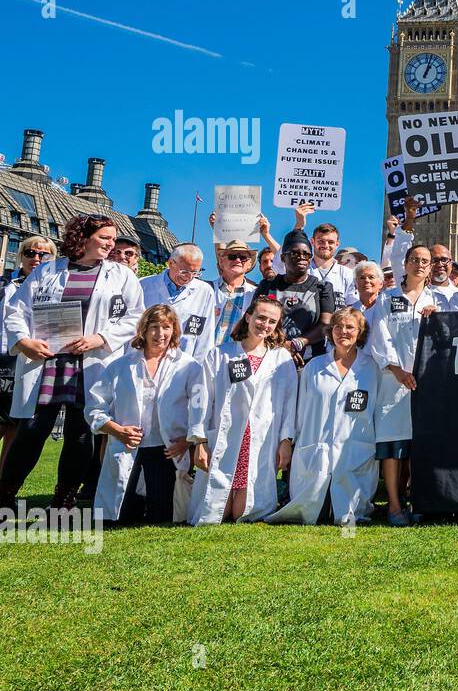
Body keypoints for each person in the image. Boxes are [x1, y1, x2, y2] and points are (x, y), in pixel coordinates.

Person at [0, 214, 144, 512]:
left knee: (81, 432)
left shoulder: (121, 275)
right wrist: (24, 341)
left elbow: (135, 317)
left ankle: (63, 499)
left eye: (113, 239)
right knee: (32, 430)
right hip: (46, 361)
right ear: (84, 237)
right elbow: (17, 310)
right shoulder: (47, 271)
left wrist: (100, 337)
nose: (111, 244)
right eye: (105, 237)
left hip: (90, 363)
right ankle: (5, 495)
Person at [88, 305, 207, 525]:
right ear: (143, 329)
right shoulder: (120, 366)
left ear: (174, 331)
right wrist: (117, 430)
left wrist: (187, 442)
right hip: (127, 446)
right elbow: (93, 407)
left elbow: (201, 408)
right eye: (154, 327)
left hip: (167, 450)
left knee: (161, 516)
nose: (159, 334)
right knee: (119, 517)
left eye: (166, 327)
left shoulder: (189, 366)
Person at [188, 297, 298, 524]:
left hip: (262, 435)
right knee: (219, 509)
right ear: (248, 316)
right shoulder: (220, 354)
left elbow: (290, 403)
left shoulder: (282, 359)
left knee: (243, 511)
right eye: (260, 317)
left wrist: (286, 439)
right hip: (224, 434)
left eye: (271, 321)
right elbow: (201, 399)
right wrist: (199, 440)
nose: (264, 325)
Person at [268, 309, 380, 526]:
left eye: (350, 327)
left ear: (360, 332)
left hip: (355, 448)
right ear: (330, 331)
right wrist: (290, 441)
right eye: (338, 327)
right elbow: (298, 411)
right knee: (311, 509)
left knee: (349, 511)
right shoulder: (315, 367)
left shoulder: (372, 368)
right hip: (314, 448)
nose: (343, 332)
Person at [365, 246, 439, 525]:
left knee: (419, 445)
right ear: (405, 264)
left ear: (431, 267)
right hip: (393, 381)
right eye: (415, 260)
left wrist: (438, 318)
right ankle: (395, 507)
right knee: (393, 444)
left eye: (425, 261)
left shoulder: (437, 299)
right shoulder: (387, 299)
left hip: (425, 383)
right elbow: (379, 338)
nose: (419, 265)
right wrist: (396, 369)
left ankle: (418, 500)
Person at [0, 237, 56, 481]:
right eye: (30, 253)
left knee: (16, 427)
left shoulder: (54, 287)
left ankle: (3, 482)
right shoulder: (4, 284)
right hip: (2, 357)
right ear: (20, 255)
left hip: (30, 364)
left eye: (44, 255)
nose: (36, 259)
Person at [253, 230, 336, 362]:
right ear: (282, 257)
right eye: (294, 253)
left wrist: (297, 343)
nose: (301, 257)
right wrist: (282, 346)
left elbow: (325, 325)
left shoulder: (322, 288)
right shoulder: (267, 286)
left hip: (309, 362)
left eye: (306, 254)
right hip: (269, 357)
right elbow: (254, 320)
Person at [140, 243, 218, 362]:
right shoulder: (144, 285)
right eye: (184, 271)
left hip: (182, 363)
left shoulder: (205, 291)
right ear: (171, 263)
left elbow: (205, 337)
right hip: (145, 358)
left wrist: (198, 370)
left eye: (195, 273)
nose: (189, 277)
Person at [209, 240, 259, 348]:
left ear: (249, 264)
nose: (237, 260)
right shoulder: (206, 289)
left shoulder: (256, 295)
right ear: (221, 261)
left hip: (237, 358)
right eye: (232, 256)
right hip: (205, 357)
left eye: (243, 258)